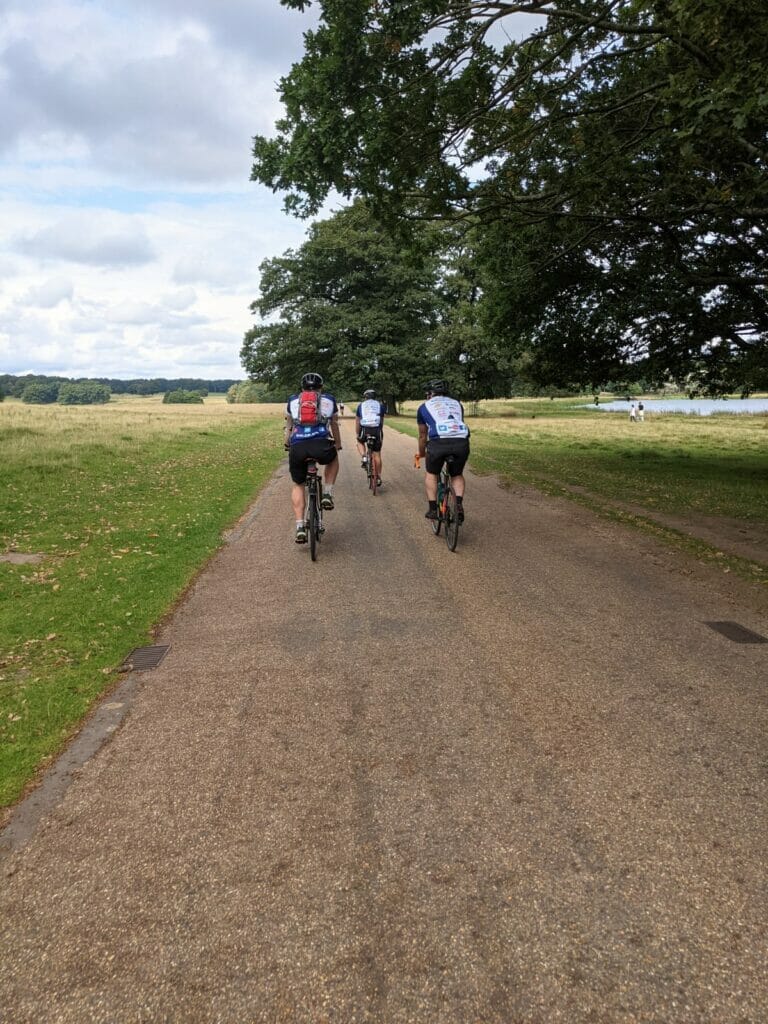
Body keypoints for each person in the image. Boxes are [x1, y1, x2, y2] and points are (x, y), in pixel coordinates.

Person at [285, 372, 342, 543]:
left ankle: (300, 526)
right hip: (321, 445)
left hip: (298, 447)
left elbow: (288, 427)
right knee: (333, 458)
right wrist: (337, 444)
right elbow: (333, 424)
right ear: (321, 387)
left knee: (298, 484)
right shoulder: (329, 400)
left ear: (302, 388)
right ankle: (327, 493)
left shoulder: (292, 401)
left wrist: (288, 444)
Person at [416, 379, 470, 522]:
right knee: (457, 474)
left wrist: (421, 453)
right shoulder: (457, 404)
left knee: (432, 473)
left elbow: (422, 435)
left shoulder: (423, 407)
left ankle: (433, 509)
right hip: (461, 442)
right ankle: (458, 504)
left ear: (430, 394)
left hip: (438, 442)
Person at [355, 388, 387, 487]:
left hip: (365, 429)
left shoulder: (361, 406)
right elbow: (381, 421)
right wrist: (380, 431)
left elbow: (357, 421)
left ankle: (364, 457)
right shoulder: (380, 405)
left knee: (359, 442)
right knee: (377, 454)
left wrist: (357, 433)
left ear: (365, 397)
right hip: (376, 430)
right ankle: (378, 477)